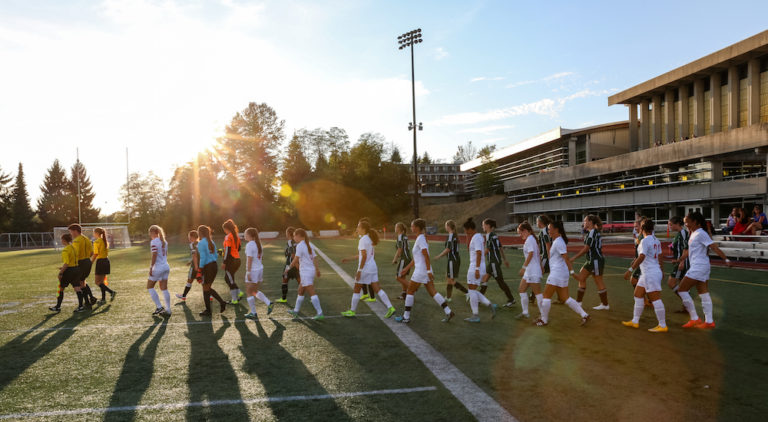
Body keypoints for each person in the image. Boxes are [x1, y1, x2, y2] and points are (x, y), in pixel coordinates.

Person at [678, 212, 732, 329]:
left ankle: (694, 318)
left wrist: (726, 259)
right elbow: (690, 250)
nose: (685, 224)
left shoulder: (701, 233)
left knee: (682, 290)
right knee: (703, 293)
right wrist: (680, 259)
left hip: (699, 266)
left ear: (695, 222)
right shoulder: (694, 233)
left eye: (687, 222)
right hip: (700, 266)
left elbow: (713, 247)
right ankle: (709, 322)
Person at [394, 219, 455, 323]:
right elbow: (417, 258)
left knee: (410, 291)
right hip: (424, 270)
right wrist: (407, 268)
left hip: (421, 270)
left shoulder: (421, 238)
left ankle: (406, 317)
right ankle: (448, 311)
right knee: (433, 292)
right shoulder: (420, 238)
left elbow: (426, 255)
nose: (411, 228)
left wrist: (428, 271)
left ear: (417, 228)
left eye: (412, 226)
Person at [534, 220, 590, 327]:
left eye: (549, 229)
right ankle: (585, 315)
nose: (548, 231)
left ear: (556, 230)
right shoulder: (557, 241)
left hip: (557, 273)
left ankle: (544, 320)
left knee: (546, 296)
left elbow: (566, 258)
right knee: (565, 298)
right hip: (561, 273)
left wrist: (572, 272)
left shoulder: (559, 242)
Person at [340, 220, 396, 318]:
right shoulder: (368, 239)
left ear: (363, 229)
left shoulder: (362, 240)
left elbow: (364, 256)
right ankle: (390, 307)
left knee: (357, 289)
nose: (357, 229)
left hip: (365, 268)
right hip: (372, 267)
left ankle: (352, 311)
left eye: (358, 227)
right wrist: (349, 259)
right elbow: (362, 255)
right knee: (377, 289)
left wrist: (359, 271)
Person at [622, 219, 668, 332]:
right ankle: (635, 321)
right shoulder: (656, 240)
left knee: (655, 299)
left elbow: (641, 256)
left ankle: (663, 325)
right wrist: (662, 270)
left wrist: (630, 270)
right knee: (638, 294)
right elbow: (660, 256)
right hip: (649, 272)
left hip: (650, 273)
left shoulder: (645, 241)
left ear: (642, 229)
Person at [570, 215, 609, 310]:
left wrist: (574, 258)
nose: (584, 223)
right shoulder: (592, 232)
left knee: (597, 280)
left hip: (595, 260)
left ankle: (605, 305)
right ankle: (579, 302)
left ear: (590, 222)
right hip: (592, 260)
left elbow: (586, 249)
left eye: (585, 221)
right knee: (582, 278)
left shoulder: (592, 232)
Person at [463, 218, 498, 322]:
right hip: (476, 266)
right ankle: (488, 304)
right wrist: (467, 236)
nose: (465, 232)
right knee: (472, 290)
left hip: (475, 266)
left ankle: (475, 315)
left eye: (465, 230)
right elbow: (468, 249)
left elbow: (478, 253)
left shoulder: (477, 238)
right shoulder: (476, 237)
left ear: (469, 229)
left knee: (471, 291)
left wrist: (477, 269)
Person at [286, 228, 324, 320]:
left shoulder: (300, 245)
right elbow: (315, 258)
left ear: (299, 236)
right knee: (300, 291)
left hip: (306, 272)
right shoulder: (309, 244)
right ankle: (296, 311)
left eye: (294, 236)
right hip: (308, 271)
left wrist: (288, 268)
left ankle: (320, 313)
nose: (294, 238)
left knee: (311, 292)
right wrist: (317, 270)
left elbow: (296, 259)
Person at [479, 218, 516, 307]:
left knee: (500, 281)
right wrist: (504, 260)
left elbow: (488, 249)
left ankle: (511, 299)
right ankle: (479, 300)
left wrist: (479, 258)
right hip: (494, 262)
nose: (482, 226)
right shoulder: (494, 235)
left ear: (488, 226)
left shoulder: (490, 235)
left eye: (483, 225)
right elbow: (500, 248)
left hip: (493, 262)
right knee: (484, 279)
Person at [49, 233, 85, 313]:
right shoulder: (74, 247)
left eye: (61, 239)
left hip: (69, 271)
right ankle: (81, 306)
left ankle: (58, 307)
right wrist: (64, 267)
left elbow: (67, 263)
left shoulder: (65, 250)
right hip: (76, 269)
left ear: (64, 240)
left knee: (61, 288)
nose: (61, 241)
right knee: (77, 288)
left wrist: (61, 272)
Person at [243, 227, 274, 319]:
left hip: (253, 270)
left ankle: (253, 313)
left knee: (249, 291)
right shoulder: (258, 243)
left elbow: (249, 259)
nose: (244, 235)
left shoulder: (250, 245)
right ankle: (269, 303)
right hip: (260, 269)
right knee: (254, 291)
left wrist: (248, 272)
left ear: (249, 235)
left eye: (245, 234)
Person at [434, 220, 469, 302]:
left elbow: (448, 249)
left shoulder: (451, 236)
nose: (445, 227)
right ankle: (448, 297)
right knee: (448, 278)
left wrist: (438, 256)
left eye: (446, 225)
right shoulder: (453, 235)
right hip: (454, 260)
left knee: (450, 280)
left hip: (452, 260)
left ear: (449, 226)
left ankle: (467, 292)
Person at [198, 225, 227, 316]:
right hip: (214, 266)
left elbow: (203, 257)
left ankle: (211, 309)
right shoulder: (211, 241)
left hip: (207, 267)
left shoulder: (201, 243)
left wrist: (199, 270)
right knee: (207, 288)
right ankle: (214, 307)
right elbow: (215, 256)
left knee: (206, 288)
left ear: (200, 233)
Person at [516, 222, 543, 319]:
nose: (520, 235)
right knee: (521, 290)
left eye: (520, 233)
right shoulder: (531, 239)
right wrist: (541, 266)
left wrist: (523, 267)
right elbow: (538, 254)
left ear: (526, 231)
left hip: (532, 271)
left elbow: (531, 254)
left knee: (538, 293)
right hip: (530, 270)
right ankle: (525, 312)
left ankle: (543, 315)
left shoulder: (530, 240)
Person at [68, 223, 96, 309]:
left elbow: (75, 254)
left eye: (71, 232)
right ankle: (90, 299)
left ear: (75, 231)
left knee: (78, 283)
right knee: (82, 282)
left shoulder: (76, 240)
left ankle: (87, 302)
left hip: (81, 262)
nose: (71, 234)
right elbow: (92, 252)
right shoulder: (87, 239)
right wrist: (86, 259)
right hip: (88, 261)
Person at [147, 225, 172, 316]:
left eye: (150, 233)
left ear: (153, 232)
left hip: (158, 267)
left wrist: (151, 267)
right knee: (164, 288)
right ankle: (168, 309)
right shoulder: (164, 241)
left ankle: (159, 307)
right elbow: (165, 254)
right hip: (166, 266)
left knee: (150, 286)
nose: (149, 235)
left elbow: (154, 255)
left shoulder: (154, 241)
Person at [667, 216, 690, 313]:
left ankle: (688, 303)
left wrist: (681, 262)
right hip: (679, 261)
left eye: (671, 224)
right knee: (682, 285)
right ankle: (686, 306)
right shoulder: (679, 234)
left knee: (671, 283)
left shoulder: (683, 233)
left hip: (682, 262)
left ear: (677, 224)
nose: (670, 227)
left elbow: (686, 248)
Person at [90, 227, 116, 304]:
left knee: (97, 282)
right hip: (106, 261)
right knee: (101, 282)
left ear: (97, 233)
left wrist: (90, 262)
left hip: (101, 262)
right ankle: (103, 299)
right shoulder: (105, 241)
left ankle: (111, 292)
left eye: (94, 232)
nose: (93, 234)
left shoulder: (96, 242)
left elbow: (96, 254)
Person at [221, 219, 244, 304]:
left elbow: (228, 250)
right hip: (237, 260)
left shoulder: (228, 236)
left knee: (229, 279)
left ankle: (237, 295)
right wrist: (223, 252)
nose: (224, 231)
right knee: (229, 279)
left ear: (227, 228)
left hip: (231, 260)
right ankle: (236, 297)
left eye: (224, 229)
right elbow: (238, 248)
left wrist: (224, 262)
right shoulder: (236, 236)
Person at [177, 230, 202, 301]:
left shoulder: (192, 244)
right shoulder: (200, 243)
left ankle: (183, 296)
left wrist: (195, 266)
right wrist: (190, 261)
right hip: (201, 265)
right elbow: (198, 255)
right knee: (203, 282)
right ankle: (210, 296)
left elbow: (194, 255)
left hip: (195, 266)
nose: (188, 238)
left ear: (192, 237)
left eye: (189, 237)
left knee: (190, 280)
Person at [277, 227, 300, 304]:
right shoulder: (296, 241)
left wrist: (294, 265)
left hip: (290, 264)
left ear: (289, 234)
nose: (285, 234)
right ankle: (312, 296)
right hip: (296, 263)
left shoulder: (290, 242)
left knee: (285, 280)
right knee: (301, 282)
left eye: (286, 233)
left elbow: (293, 254)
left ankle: (284, 298)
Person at [391, 222, 412, 300]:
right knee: (402, 277)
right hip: (407, 258)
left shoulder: (400, 236)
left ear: (399, 229)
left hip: (404, 258)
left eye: (396, 227)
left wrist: (395, 259)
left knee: (398, 277)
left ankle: (412, 287)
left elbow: (400, 249)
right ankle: (404, 294)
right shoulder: (404, 236)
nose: (395, 228)